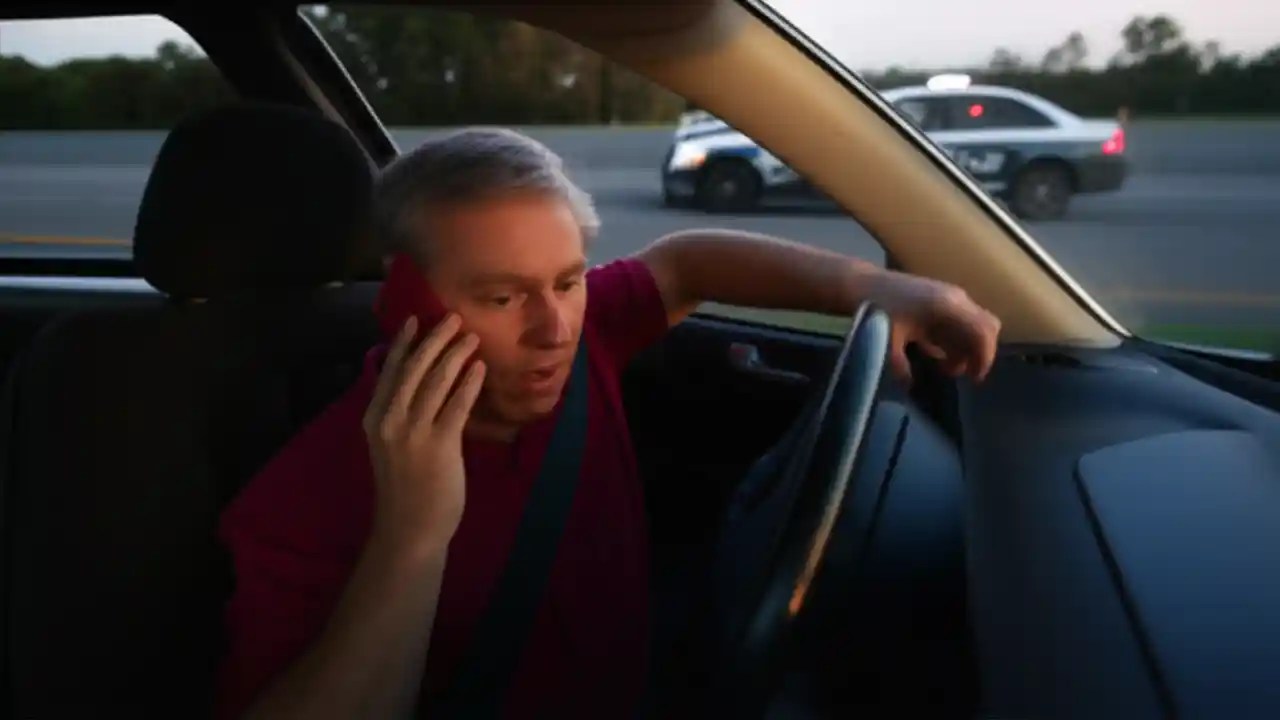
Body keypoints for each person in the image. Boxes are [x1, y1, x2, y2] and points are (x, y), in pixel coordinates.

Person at [215, 127, 1001, 720]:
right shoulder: (304, 500)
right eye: (502, 297)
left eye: (568, 281)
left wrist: (874, 288)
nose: (554, 329)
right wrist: (413, 536)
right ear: (404, 303)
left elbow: (685, 263)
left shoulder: (586, 336)